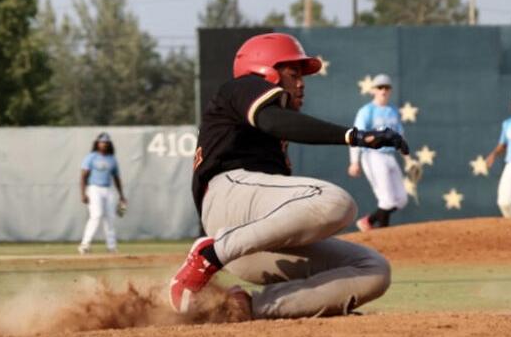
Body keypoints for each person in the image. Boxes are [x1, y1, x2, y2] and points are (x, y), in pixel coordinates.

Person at [169, 33, 408, 319]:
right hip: (229, 199)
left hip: (253, 241)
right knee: (334, 201)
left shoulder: (271, 131)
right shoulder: (242, 87)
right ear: (266, 71)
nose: (301, 83)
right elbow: (273, 120)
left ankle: (248, 308)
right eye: (293, 73)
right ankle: (210, 254)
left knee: (373, 268)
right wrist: (353, 136)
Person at [349, 74, 410, 230]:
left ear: (390, 91)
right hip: (372, 155)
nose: (383, 90)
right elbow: (355, 136)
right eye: (380, 87)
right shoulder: (366, 111)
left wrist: (407, 159)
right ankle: (383, 233)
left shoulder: (393, 111)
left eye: (386, 87)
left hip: (390, 155)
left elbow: (400, 137)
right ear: (373, 90)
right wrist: (354, 161)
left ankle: (368, 221)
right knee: (387, 200)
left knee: (401, 199)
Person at [78, 132, 126, 255]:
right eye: (101, 142)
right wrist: (83, 193)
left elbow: (116, 178)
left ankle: (112, 247)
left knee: (110, 217)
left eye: (106, 142)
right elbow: (83, 176)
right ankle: (85, 244)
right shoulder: (91, 157)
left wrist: (121, 195)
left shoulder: (112, 159)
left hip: (108, 189)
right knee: (96, 215)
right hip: (94, 188)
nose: (103, 144)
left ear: (109, 144)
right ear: (97, 143)